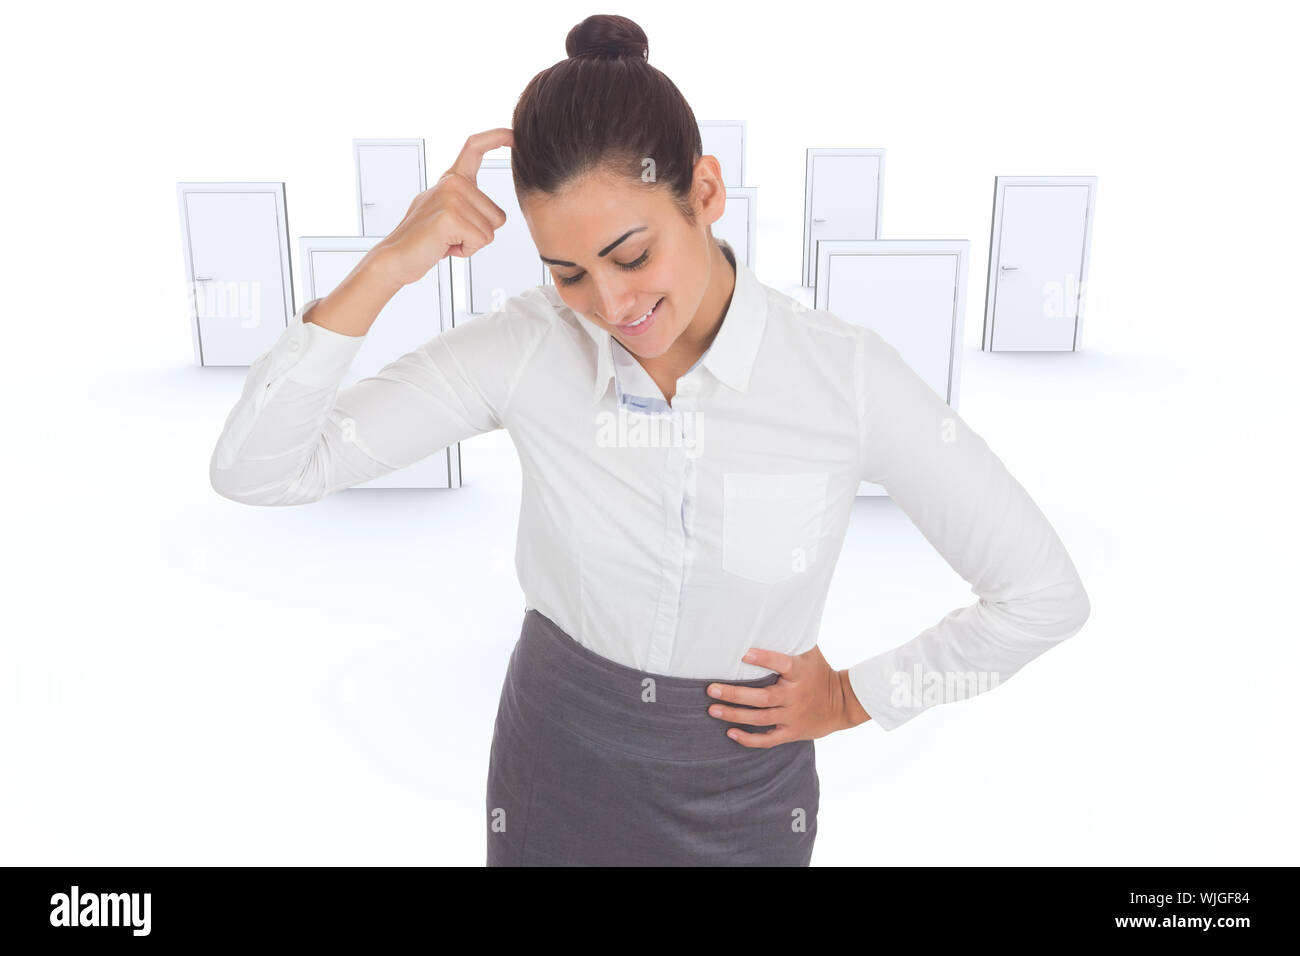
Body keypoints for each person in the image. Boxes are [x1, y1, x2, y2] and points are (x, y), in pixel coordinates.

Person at [210, 14, 1090, 866]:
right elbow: (261, 471)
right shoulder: (525, 349)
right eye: (568, 274)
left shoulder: (844, 378)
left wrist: (859, 696)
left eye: (630, 256)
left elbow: (1041, 595)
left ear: (704, 193)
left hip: (743, 796)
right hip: (552, 762)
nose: (611, 305)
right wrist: (386, 266)